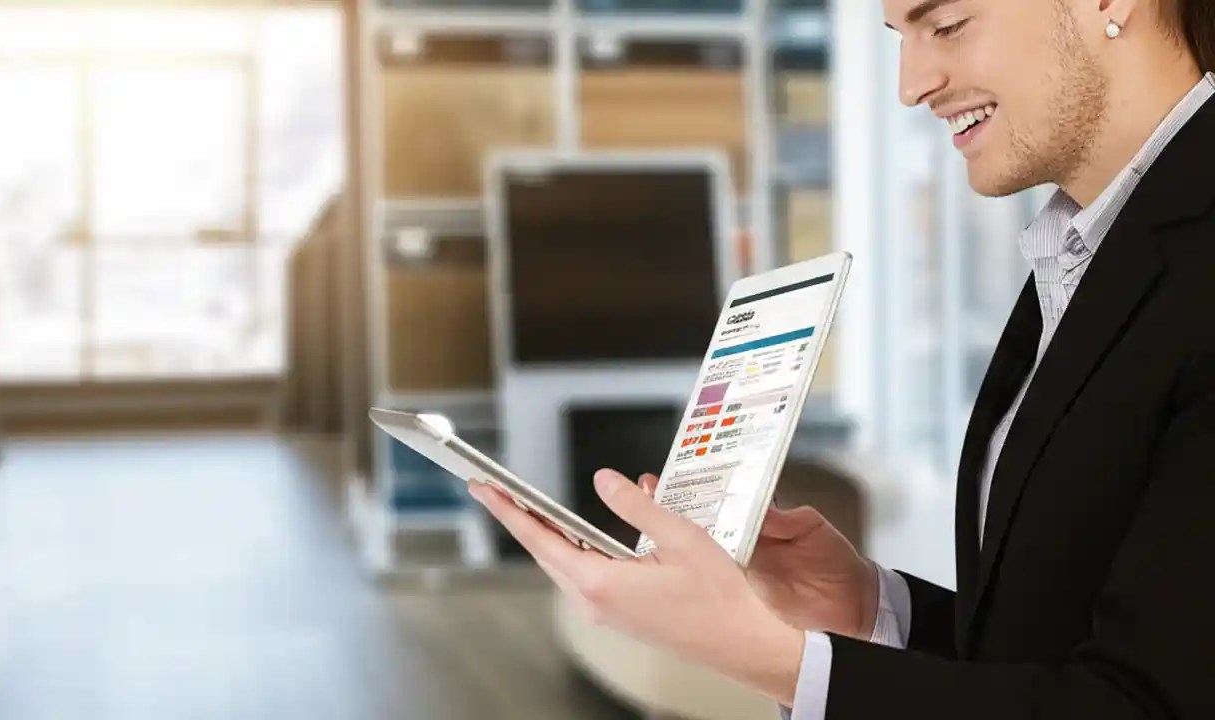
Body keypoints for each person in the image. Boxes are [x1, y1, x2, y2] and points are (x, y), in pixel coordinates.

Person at [470, 0, 1215, 716]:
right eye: (899, 36)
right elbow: (1062, 648)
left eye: (947, 25)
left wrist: (769, 657)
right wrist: (869, 606)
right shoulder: (1081, 249)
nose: (911, 85)